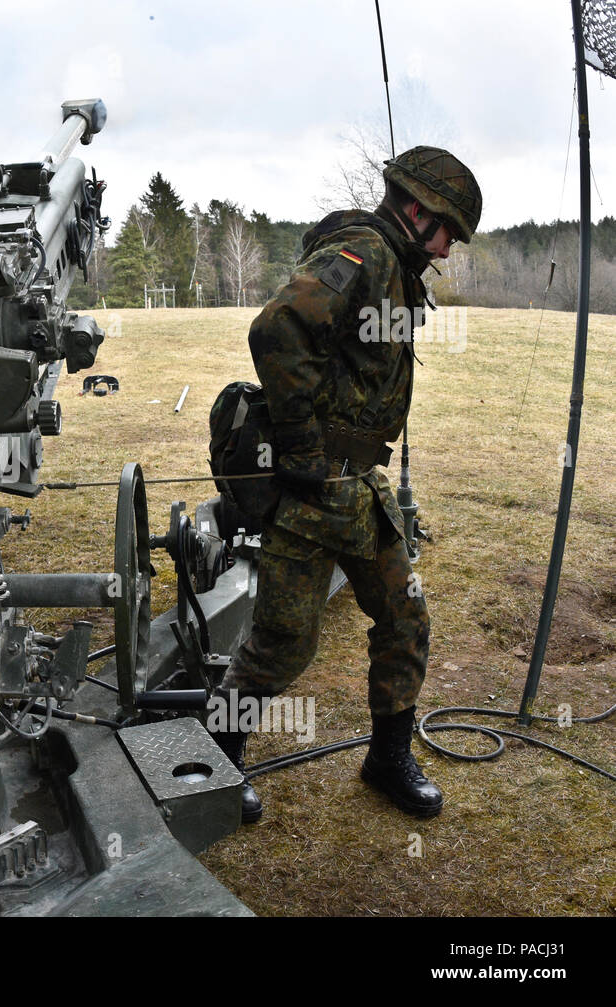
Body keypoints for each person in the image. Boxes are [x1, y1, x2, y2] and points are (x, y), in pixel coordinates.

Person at [208, 147, 482, 823]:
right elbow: (276, 326)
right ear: (418, 211)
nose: (447, 251)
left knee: (405, 616)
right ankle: (216, 757)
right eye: (448, 231)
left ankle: (387, 757)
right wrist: (301, 444)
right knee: (281, 643)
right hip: (312, 491)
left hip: (359, 485)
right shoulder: (364, 250)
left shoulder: (393, 259)